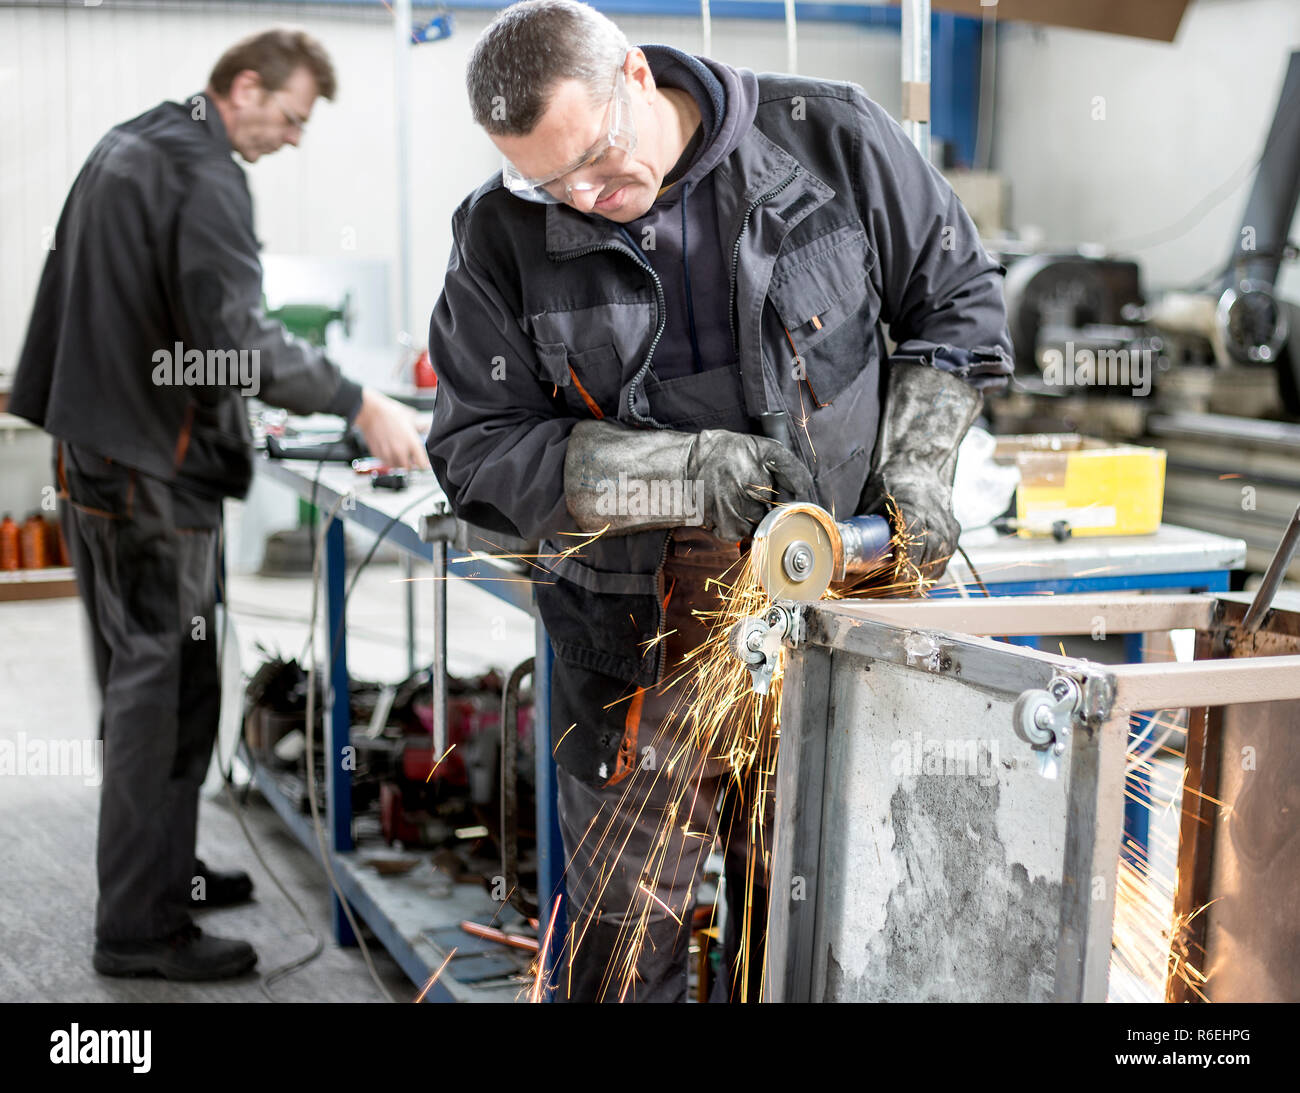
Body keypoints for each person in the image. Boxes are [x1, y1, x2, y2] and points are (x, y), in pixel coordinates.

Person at [426, 0, 1012, 1001]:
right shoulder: (500, 233)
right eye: (549, 180)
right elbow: (479, 454)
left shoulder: (833, 139)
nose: (586, 196)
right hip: (631, 644)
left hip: (832, 614)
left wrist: (916, 468)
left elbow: (956, 306)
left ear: (639, 76)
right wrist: (681, 471)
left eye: (599, 158)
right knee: (615, 954)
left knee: (810, 922)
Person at [10, 26, 429, 981]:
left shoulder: (132, 142)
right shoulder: (203, 175)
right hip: (153, 473)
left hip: (96, 453)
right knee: (165, 694)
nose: (291, 139)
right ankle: (141, 929)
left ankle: (163, 878)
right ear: (244, 87)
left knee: (145, 685)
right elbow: (233, 340)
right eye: (289, 118)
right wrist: (357, 400)